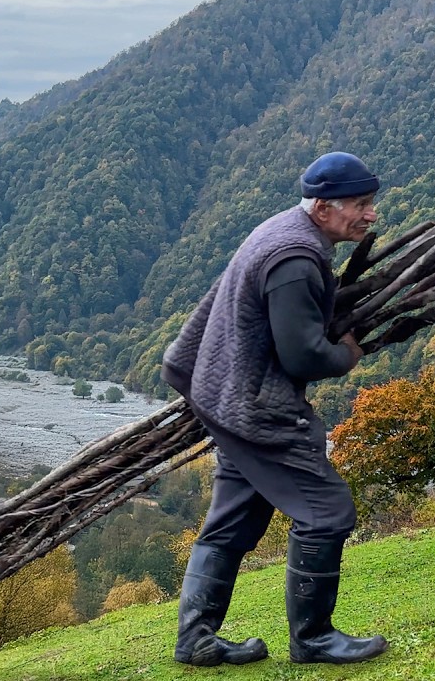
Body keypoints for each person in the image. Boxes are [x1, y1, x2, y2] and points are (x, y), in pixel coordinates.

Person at [162, 151, 388, 666]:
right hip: (254, 408)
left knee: (234, 520)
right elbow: (302, 353)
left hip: (223, 396)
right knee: (327, 512)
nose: (371, 214)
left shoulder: (281, 230)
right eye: (360, 204)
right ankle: (313, 639)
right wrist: (348, 354)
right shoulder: (295, 258)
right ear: (325, 207)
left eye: (371, 203)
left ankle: (195, 639)